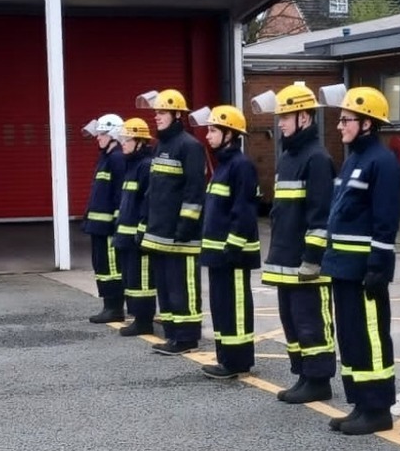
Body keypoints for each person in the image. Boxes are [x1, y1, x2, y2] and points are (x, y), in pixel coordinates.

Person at [321, 86, 400, 435]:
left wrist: (378, 268)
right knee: (351, 337)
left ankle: (378, 408)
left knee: (371, 336)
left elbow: (386, 221)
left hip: (365, 269)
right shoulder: (354, 159)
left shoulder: (381, 162)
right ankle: (359, 403)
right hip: (343, 267)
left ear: (368, 123)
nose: (340, 126)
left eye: (346, 120)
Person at [252, 82, 336, 404]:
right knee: (292, 320)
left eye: (286, 117)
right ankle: (304, 374)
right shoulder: (289, 157)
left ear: (305, 117)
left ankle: (319, 380)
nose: (281, 123)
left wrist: (312, 259)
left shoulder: (317, 159)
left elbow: (320, 216)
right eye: (281, 117)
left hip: (306, 261)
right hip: (286, 259)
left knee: (312, 321)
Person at [139, 88, 208, 355]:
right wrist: (146, 222)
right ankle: (172, 334)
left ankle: (187, 337)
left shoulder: (190, 146)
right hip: (160, 233)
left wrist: (186, 225)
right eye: (156, 112)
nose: (156, 117)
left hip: (181, 235)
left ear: (177, 115)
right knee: (167, 288)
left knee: (184, 287)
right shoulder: (161, 146)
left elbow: (194, 190)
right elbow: (154, 191)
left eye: (162, 112)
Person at [196, 104, 262, 378]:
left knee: (235, 308)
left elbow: (244, 211)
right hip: (218, 254)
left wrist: (233, 246)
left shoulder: (241, 166)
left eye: (213, 130)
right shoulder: (224, 166)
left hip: (233, 254)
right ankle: (226, 358)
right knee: (222, 307)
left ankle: (238, 361)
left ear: (230, 135)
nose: (208, 135)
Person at [80, 113, 128, 324]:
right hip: (98, 226)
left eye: (102, 134)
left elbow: (120, 194)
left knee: (111, 269)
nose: (98, 138)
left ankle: (114, 307)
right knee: (101, 266)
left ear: (114, 134)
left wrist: (118, 222)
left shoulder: (117, 158)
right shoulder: (106, 158)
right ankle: (108, 305)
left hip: (109, 227)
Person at [112, 118, 158, 338]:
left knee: (142, 282)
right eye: (122, 139)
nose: (123, 143)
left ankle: (144, 321)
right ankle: (137, 318)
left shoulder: (146, 166)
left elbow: (148, 203)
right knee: (131, 280)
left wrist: (142, 229)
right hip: (126, 236)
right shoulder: (132, 165)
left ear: (140, 141)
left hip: (137, 237)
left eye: (127, 139)